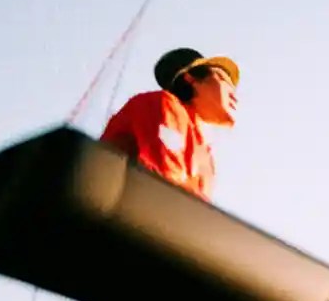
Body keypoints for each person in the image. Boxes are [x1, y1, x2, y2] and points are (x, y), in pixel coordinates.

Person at [100, 47, 241, 201]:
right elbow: (165, 183)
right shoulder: (162, 104)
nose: (233, 94)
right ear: (191, 78)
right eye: (223, 79)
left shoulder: (206, 157)